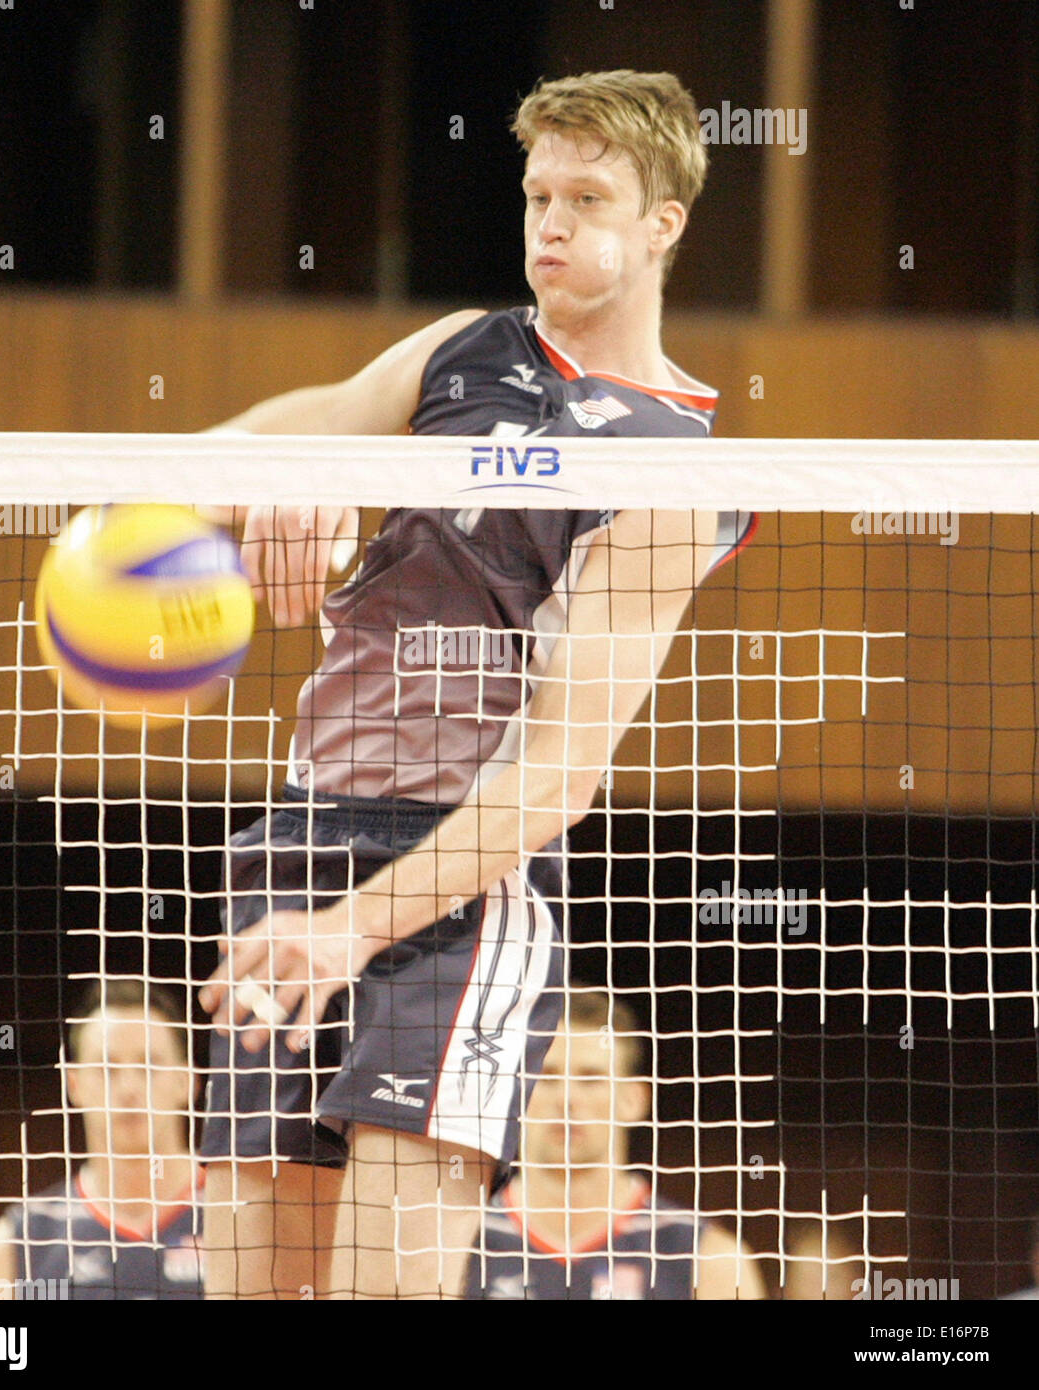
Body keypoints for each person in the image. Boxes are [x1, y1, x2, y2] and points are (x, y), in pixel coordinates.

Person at [198, 68, 755, 1300]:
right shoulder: (461, 350)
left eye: (587, 198)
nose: (549, 225)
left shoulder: (675, 463)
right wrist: (290, 475)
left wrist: (353, 931)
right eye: (535, 195)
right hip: (298, 839)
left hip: (464, 886)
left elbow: (554, 781)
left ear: (662, 222)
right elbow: (236, 450)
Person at [463, 992, 765, 1299]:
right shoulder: (456, 1246)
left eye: (591, 1079)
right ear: (514, 1094)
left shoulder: (707, 1259)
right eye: (547, 1077)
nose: (567, 1099)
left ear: (633, 1100)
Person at [0, 979, 203, 1300]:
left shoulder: (245, 1217)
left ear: (187, 1081)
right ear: (73, 1084)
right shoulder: (15, 1245)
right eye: (107, 1068)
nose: (129, 1088)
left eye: (149, 1065)